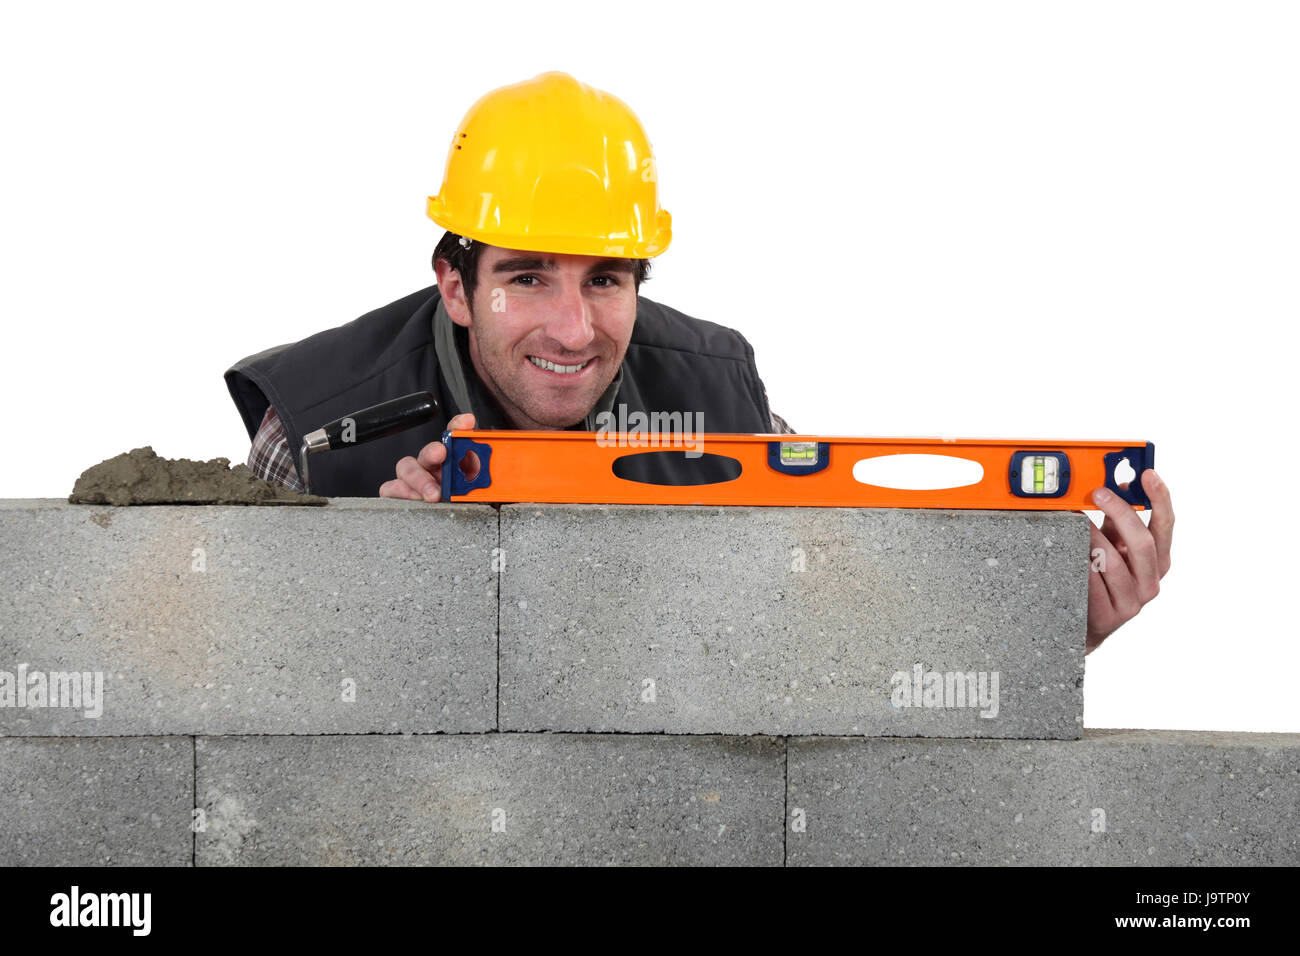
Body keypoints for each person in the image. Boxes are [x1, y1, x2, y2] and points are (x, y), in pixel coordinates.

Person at [224, 71, 1172, 654]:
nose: (572, 329)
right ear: (457, 284)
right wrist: (374, 587)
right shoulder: (312, 427)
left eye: (606, 280)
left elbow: (851, 627)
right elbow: (233, 696)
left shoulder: (715, 392)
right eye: (526, 278)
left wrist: (1053, 631)